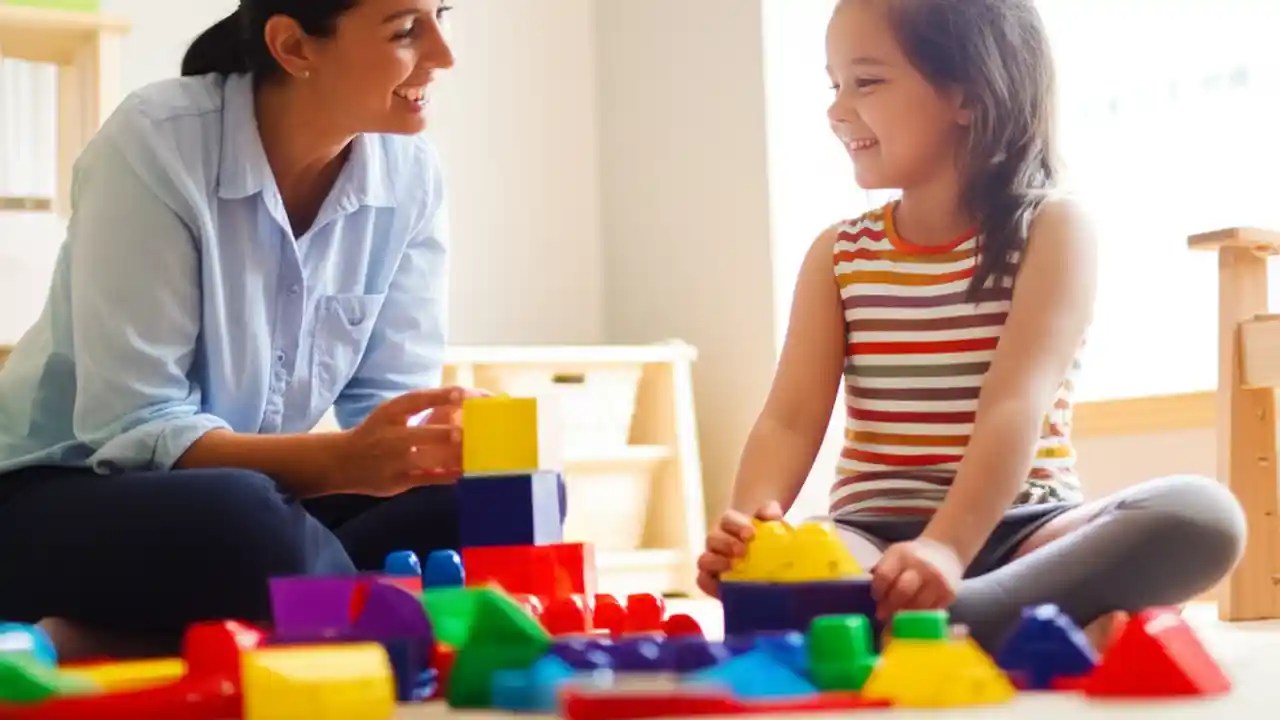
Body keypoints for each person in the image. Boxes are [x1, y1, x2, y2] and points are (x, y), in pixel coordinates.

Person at [696, 0, 1247, 652]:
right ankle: (1031, 629)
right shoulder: (839, 256)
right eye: (833, 83)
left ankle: (966, 617)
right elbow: (788, 418)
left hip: (1027, 529)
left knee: (1201, 516)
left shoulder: (1053, 230)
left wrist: (947, 549)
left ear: (968, 92)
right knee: (823, 563)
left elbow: (1015, 403)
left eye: (865, 81)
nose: (837, 109)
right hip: (871, 536)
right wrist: (754, 529)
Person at [0, 0, 472, 658]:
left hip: (261, 494)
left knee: (472, 509)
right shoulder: (156, 142)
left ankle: (148, 635)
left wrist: (440, 443)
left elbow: (392, 403)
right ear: (296, 47)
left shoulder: (412, 175)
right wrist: (342, 460)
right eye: (405, 30)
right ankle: (355, 617)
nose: (445, 55)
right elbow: (135, 430)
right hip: (61, 490)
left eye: (445, 15)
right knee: (247, 525)